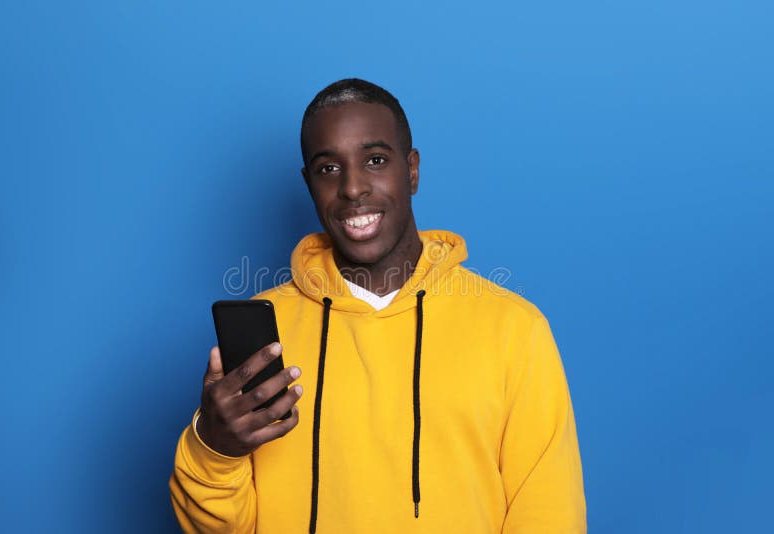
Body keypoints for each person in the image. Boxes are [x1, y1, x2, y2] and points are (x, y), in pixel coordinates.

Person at [169, 78, 587, 533]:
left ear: (412, 170)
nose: (352, 188)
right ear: (309, 184)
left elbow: (549, 514)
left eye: (375, 160)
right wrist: (215, 447)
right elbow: (221, 529)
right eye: (329, 168)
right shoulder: (266, 337)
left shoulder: (513, 328)